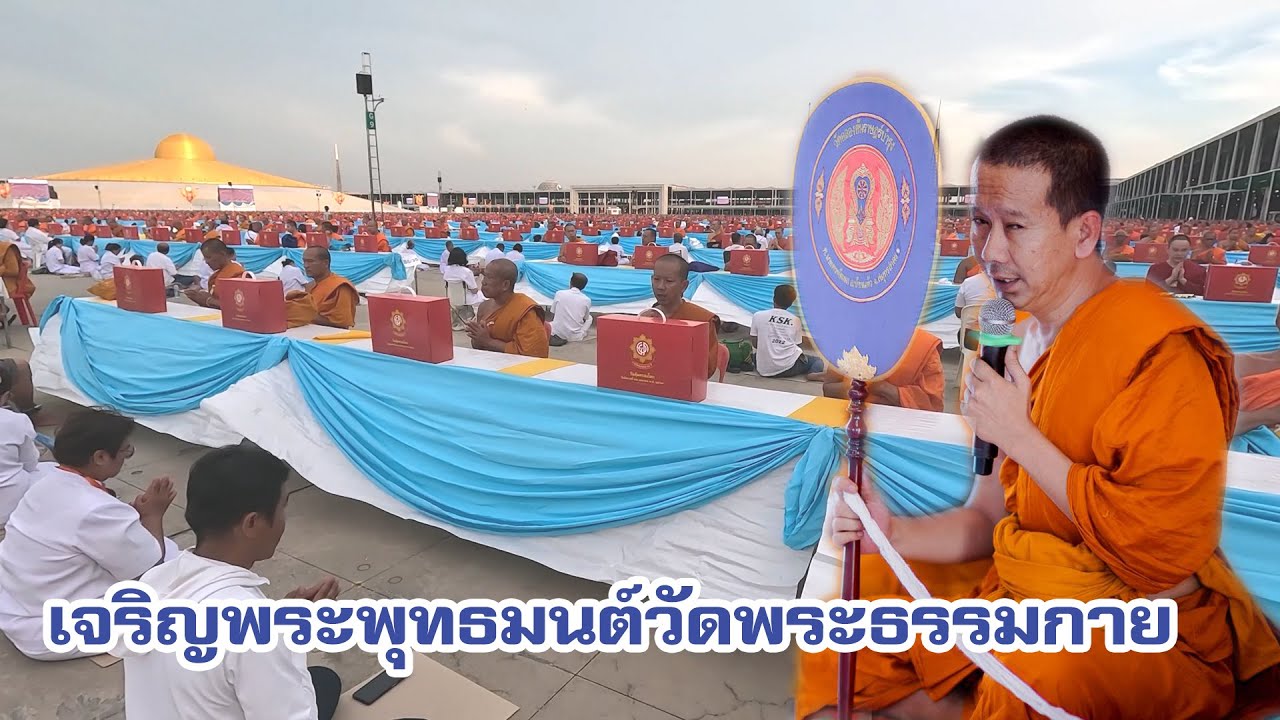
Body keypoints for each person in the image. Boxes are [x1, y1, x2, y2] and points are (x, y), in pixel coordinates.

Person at [795, 115, 1280, 719]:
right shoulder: (1014, 341)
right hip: (1027, 590)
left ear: (1084, 232)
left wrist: (1021, 437)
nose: (991, 252)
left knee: (1043, 670)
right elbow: (985, 518)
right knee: (853, 614)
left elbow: (1157, 561)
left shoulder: (1158, 351)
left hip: (1142, 626)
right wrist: (895, 536)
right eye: (981, 223)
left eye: (1016, 227)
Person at [118, 446, 341, 720]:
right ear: (252, 523)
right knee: (321, 685)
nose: (284, 520)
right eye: (283, 507)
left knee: (322, 681)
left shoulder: (155, 581)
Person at [0, 408, 179, 660]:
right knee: (177, 578)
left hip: (17, 606)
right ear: (101, 457)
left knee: (164, 549)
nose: (125, 457)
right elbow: (150, 571)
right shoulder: (95, 508)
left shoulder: (48, 481)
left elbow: (76, 527)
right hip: (53, 629)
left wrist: (135, 516)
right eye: (124, 451)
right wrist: (153, 514)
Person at [650, 255, 719, 378]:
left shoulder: (702, 320)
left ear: (684, 286)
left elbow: (707, 368)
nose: (661, 286)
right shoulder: (647, 316)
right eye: (656, 279)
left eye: (669, 281)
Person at [464, 258, 548, 358]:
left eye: (489, 277)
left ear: (505, 285)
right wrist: (476, 335)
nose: (483, 282)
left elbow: (532, 355)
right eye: (484, 276)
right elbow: (478, 346)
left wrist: (489, 342)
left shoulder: (525, 311)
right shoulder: (484, 307)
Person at [749, 284, 823, 380]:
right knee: (817, 361)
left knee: (751, 356)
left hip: (763, 368)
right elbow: (797, 345)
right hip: (789, 367)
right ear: (791, 303)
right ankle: (813, 374)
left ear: (773, 298)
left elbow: (755, 344)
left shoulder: (758, 316)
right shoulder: (795, 320)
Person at [0, 364, 38, 524]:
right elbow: (30, 464)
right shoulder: (16, 420)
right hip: (10, 507)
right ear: (6, 395)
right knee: (53, 471)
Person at [285, 247, 358, 328]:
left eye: (310, 261)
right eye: (304, 261)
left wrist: (305, 314)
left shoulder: (340, 286)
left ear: (326, 263)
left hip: (332, 336)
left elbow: (343, 322)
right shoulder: (310, 285)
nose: (306, 266)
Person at [184, 239, 245, 308]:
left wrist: (208, 300)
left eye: (209, 257)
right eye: (205, 258)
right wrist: (198, 297)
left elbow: (238, 305)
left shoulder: (237, 273)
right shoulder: (217, 274)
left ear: (222, 254)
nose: (206, 261)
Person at [549, 272, 592, 346]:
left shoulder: (559, 293)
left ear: (570, 282)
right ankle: (581, 333)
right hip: (575, 337)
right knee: (590, 318)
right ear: (584, 287)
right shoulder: (587, 299)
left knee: (550, 323)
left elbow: (553, 311)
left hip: (556, 333)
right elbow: (585, 318)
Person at [442, 246, 483, 313]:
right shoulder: (466, 272)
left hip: (452, 299)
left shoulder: (447, 270)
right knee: (485, 297)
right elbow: (474, 291)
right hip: (466, 300)